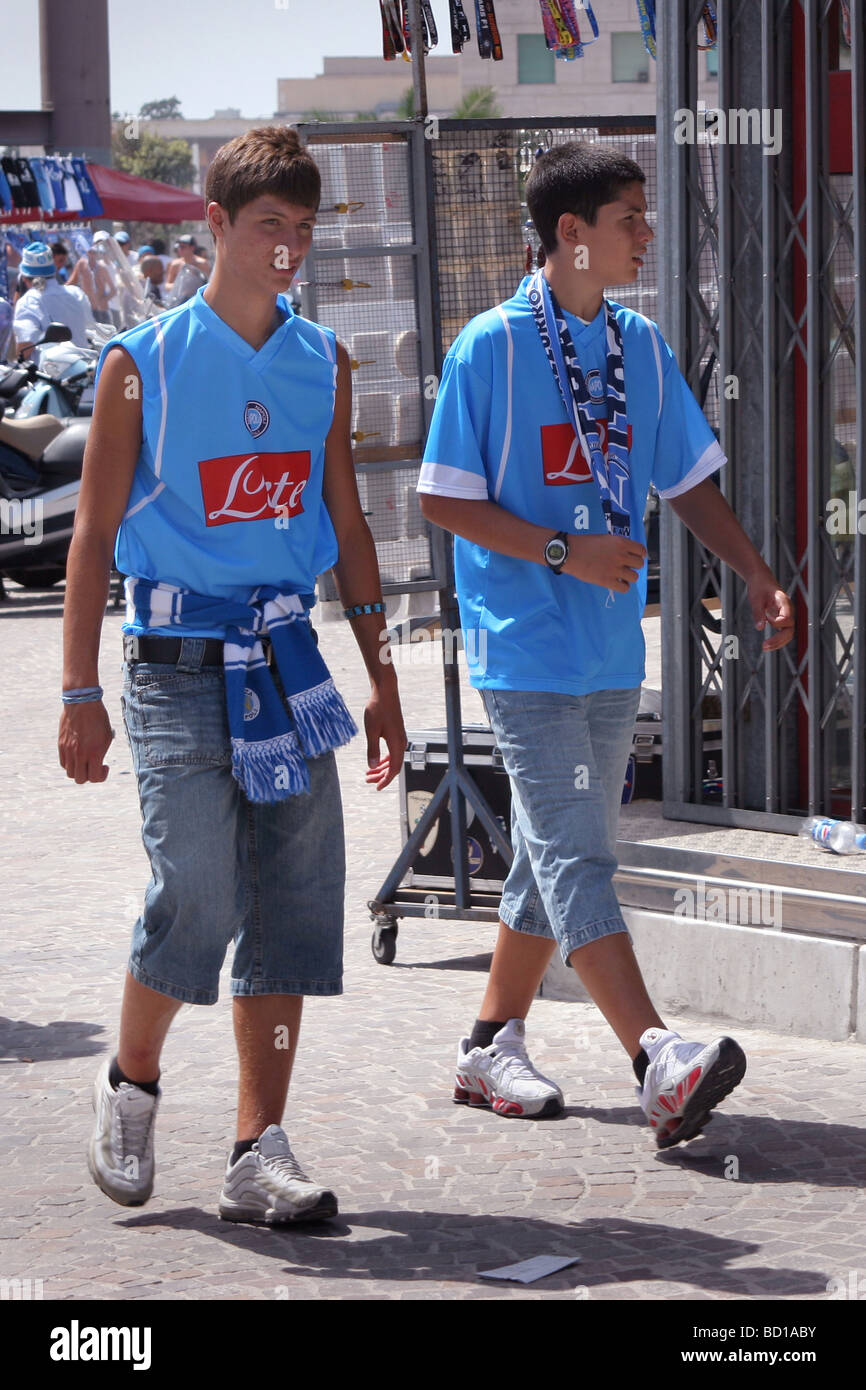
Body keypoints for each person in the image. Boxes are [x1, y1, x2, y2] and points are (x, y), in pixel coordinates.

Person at [58, 125, 406, 1223]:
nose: (288, 249)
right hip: (169, 668)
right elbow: (91, 535)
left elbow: (347, 524)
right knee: (195, 892)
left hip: (289, 661)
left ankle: (259, 1147)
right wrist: (76, 692)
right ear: (214, 226)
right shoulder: (137, 363)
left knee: (296, 909)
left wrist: (381, 672)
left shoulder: (323, 365)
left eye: (304, 230)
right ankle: (133, 1082)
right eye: (269, 227)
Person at [418, 142, 794, 1147]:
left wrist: (752, 573)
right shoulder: (489, 348)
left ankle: (489, 1040)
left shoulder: (636, 345)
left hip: (605, 652)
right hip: (522, 648)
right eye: (629, 215)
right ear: (569, 234)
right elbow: (440, 496)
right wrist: (560, 548)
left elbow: (684, 482)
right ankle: (655, 1059)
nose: (645, 232)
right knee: (577, 852)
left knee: (550, 855)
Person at [12, 241, 95, 356]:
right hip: (86, 366)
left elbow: (25, 347)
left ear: (25, 278)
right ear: (53, 270)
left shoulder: (28, 301)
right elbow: (91, 326)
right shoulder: (76, 293)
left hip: (51, 371)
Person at [67, 235, 115, 323]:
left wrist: (104, 300)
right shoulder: (82, 265)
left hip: (102, 310)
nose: (92, 255)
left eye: (94, 252)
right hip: (89, 310)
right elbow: (71, 283)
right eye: (90, 252)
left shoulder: (101, 268)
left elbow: (113, 290)